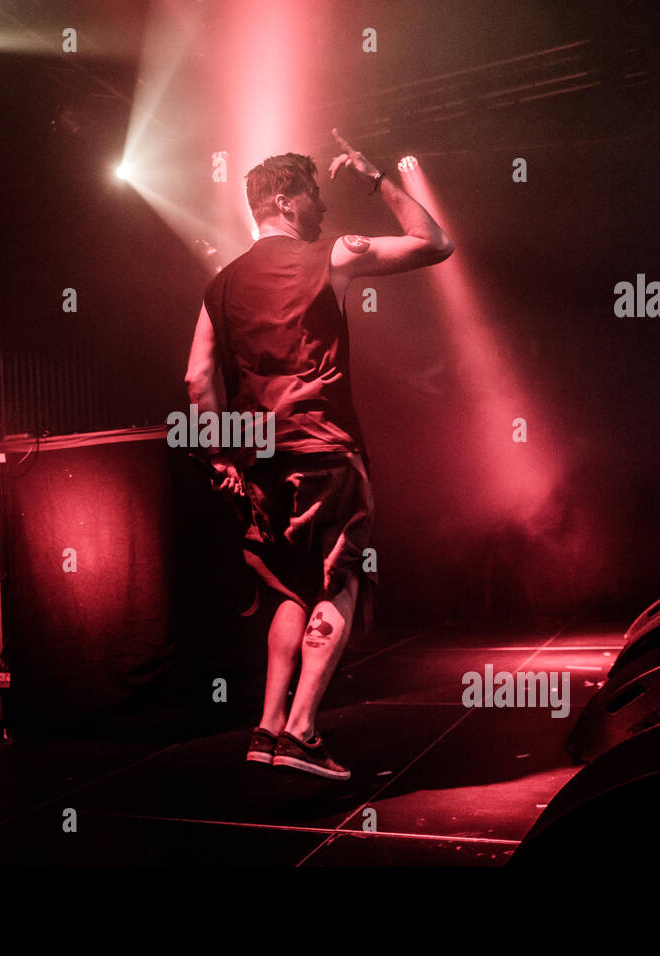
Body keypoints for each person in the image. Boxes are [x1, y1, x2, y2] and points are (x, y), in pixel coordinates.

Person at [183, 129, 453, 779]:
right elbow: (435, 244)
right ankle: (303, 731)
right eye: (313, 195)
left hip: (262, 463)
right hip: (327, 451)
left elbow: (197, 381)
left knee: (288, 593)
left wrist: (220, 460)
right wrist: (378, 177)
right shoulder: (329, 256)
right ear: (283, 198)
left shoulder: (218, 285)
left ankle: (266, 726)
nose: (322, 209)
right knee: (341, 580)